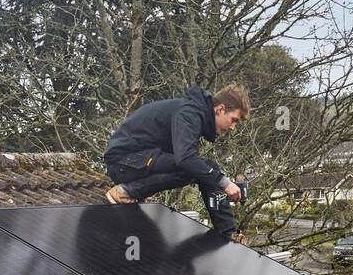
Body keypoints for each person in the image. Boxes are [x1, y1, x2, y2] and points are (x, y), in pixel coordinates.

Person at [103, 83, 250, 241]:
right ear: (220, 109)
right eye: (233, 120)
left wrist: (220, 185)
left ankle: (228, 234)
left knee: (206, 168)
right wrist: (225, 183)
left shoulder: (193, 114)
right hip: (123, 163)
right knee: (194, 167)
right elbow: (185, 159)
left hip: (137, 161)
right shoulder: (189, 113)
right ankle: (125, 192)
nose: (233, 127)